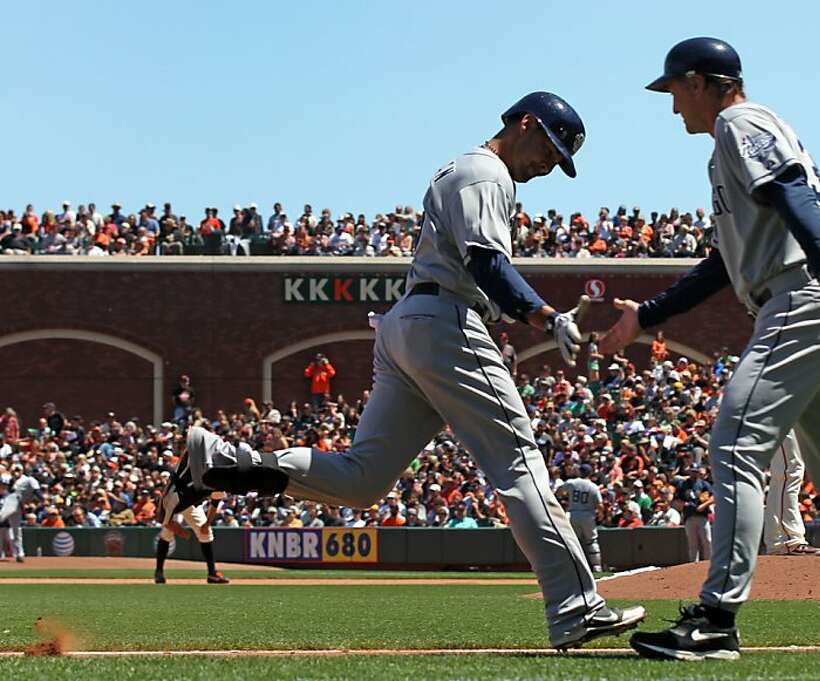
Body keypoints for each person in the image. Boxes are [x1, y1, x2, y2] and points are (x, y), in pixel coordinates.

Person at [183, 91, 643, 650]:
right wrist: (545, 318)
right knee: (519, 464)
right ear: (525, 124)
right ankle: (576, 608)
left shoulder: (469, 170)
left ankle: (230, 461)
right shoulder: (486, 172)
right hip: (443, 320)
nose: (550, 165)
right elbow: (486, 262)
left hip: (409, 323)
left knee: (363, 478)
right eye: (549, 148)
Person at [608, 38, 820, 661]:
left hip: (804, 297)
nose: (672, 104)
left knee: (737, 443)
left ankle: (716, 618)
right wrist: (649, 316)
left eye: (675, 89)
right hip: (819, 302)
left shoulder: (741, 120)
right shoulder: (734, 143)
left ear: (702, 82)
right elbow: (722, 264)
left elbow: (790, 184)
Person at [153, 481, 230, 585]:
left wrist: (206, 525)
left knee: (205, 534)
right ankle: (159, 572)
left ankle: (212, 573)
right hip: (176, 499)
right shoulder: (177, 486)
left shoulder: (218, 484)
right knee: (167, 533)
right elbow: (165, 520)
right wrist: (180, 531)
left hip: (192, 503)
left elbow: (215, 504)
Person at [763, 431, 820, 555]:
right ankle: (787, 540)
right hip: (781, 413)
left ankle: (779, 540)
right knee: (789, 470)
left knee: (789, 472)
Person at [561, 464, 603, 573]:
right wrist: (601, 514)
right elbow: (600, 504)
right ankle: (597, 567)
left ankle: (573, 567)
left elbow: (559, 492)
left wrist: (565, 498)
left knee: (573, 542)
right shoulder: (593, 486)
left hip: (573, 514)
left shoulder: (572, 482)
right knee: (592, 541)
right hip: (587, 515)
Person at [0, 464, 40, 562]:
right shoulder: (8, 477)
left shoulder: (26, 480)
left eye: (18, 470)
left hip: (15, 504)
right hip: (9, 501)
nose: (16, 472)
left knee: (17, 531)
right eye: (15, 470)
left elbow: (34, 492)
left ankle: (20, 554)